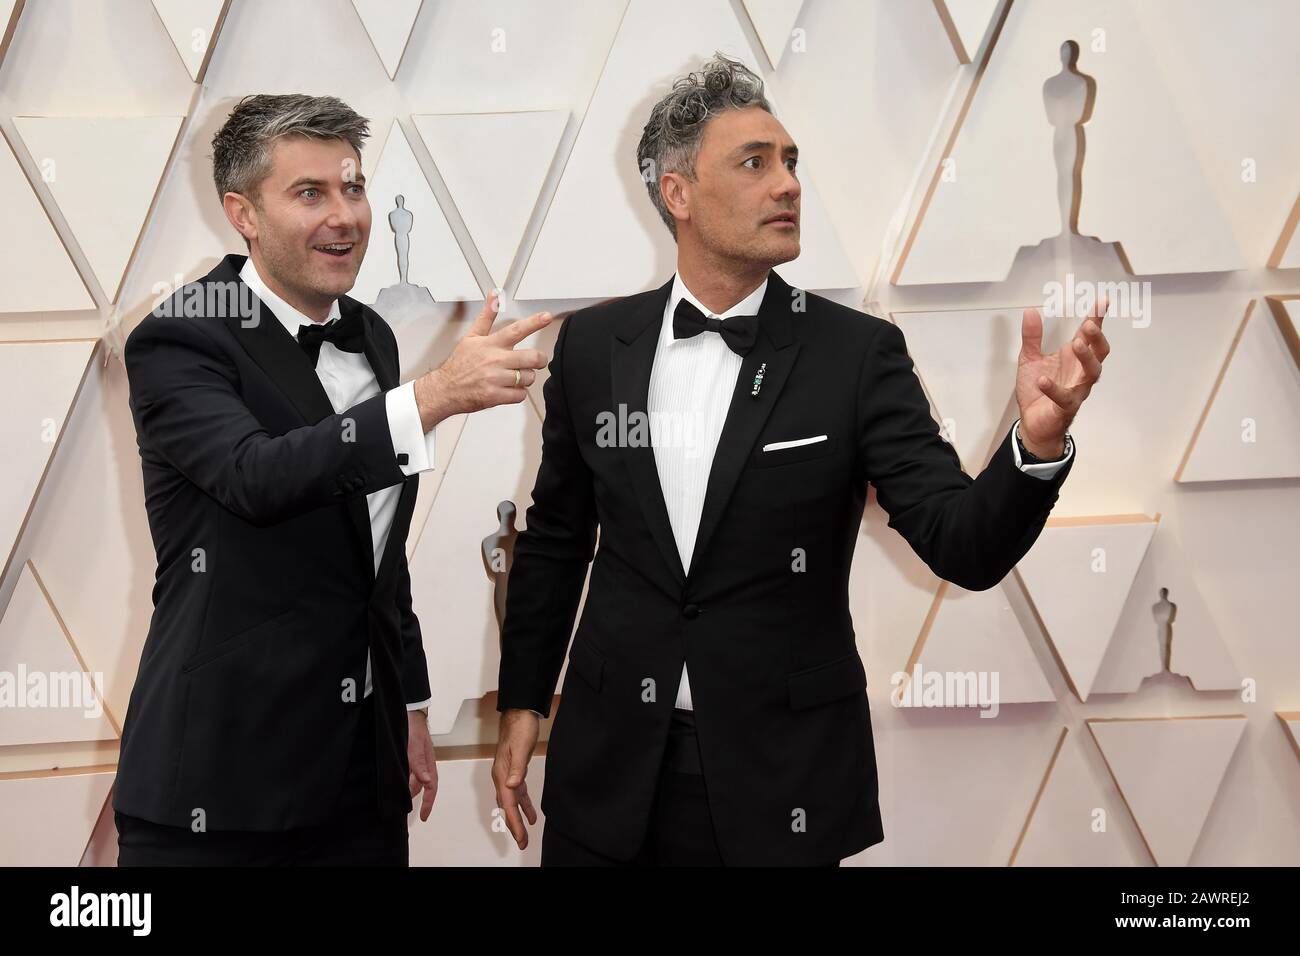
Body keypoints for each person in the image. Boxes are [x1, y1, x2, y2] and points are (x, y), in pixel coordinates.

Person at [492, 55, 1110, 866]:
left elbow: (964, 544)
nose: (786, 184)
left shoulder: (855, 355)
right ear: (677, 194)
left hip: (780, 782)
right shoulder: (592, 347)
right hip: (609, 774)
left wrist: (1035, 445)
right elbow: (557, 538)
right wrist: (525, 702)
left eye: (790, 163)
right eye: (754, 163)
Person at [114, 93, 550, 865]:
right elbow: (256, 477)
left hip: (362, 775)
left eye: (352, 187)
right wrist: (435, 396)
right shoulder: (180, 336)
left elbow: (375, 551)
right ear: (242, 213)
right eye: (309, 193)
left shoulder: (371, 334)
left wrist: (409, 701)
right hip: (223, 784)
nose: (344, 215)